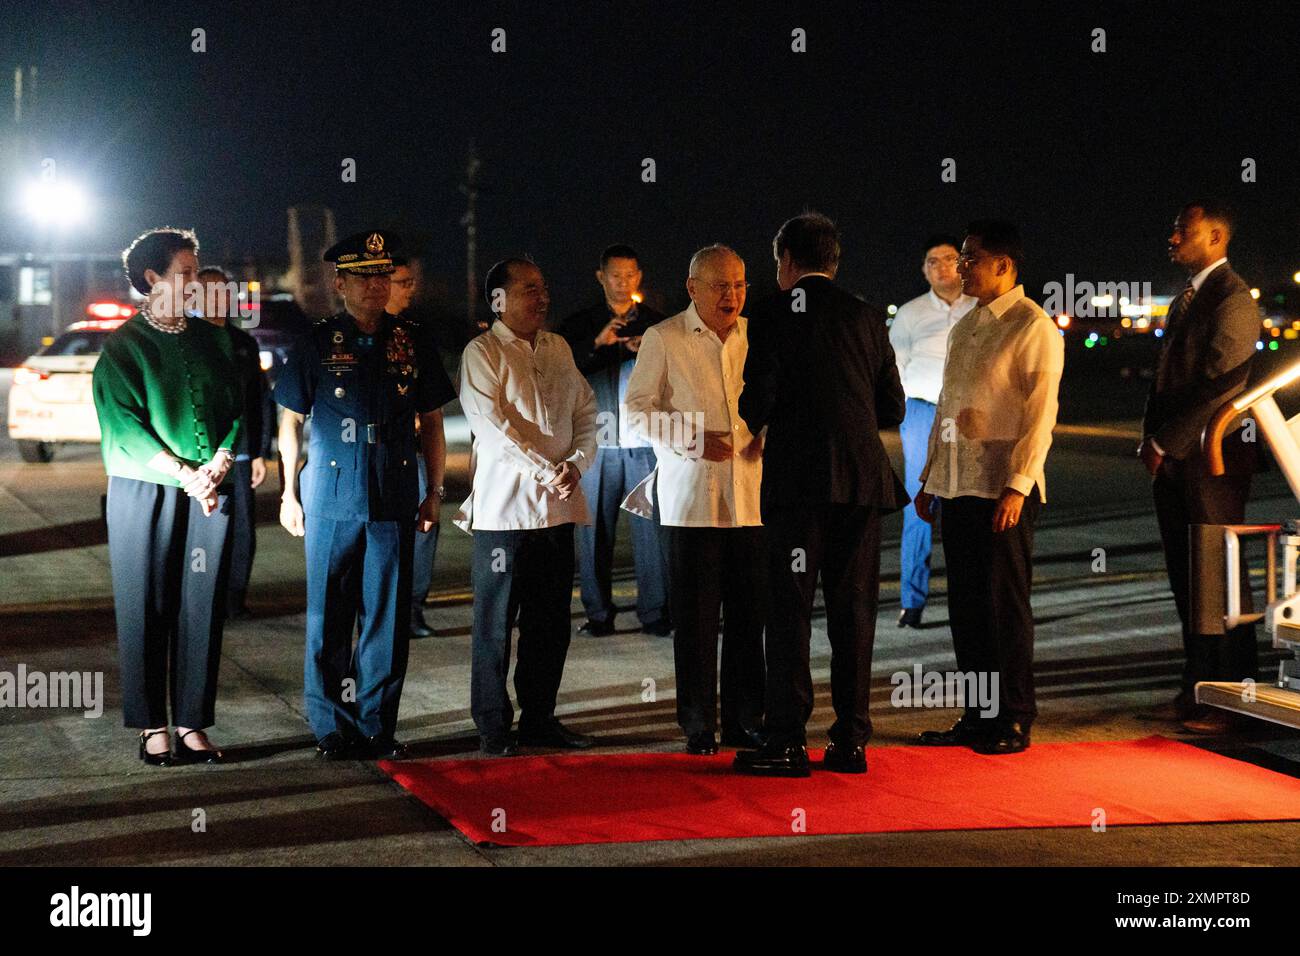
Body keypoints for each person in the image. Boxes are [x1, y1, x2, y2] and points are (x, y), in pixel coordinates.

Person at [734, 213, 908, 777]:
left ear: (786, 261)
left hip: (799, 485)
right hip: (862, 483)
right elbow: (893, 408)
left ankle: (787, 739)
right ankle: (851, 742)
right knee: (853, 613)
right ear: (833, 262)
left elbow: (754, 404)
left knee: (788, 612)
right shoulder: (864, 315)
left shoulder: (771, 312)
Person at [274, 230, 456, 760]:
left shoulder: (412, 339)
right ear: (340, 282)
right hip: (330, 497)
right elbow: (291, 419)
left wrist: (435, 490)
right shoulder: (317, 340)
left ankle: (378, 723)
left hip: (394, 493)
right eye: (363, 276)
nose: (375, 285)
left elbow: (431, 422)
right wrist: (289, 491)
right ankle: (331, 724)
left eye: (382, 275)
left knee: (388, 614)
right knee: (328, 615)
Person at [93, 228, 243, 766]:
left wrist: (223, 457)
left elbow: (238, 405)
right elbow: (123, 425)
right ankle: (152, 725)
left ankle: (192, 723)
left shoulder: (214, 339)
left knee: (201, 606)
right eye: (185, 272)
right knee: (146, 605)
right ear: (153, 278)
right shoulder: (123, 346)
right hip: (147, 491)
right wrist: (186, 472)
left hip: (209, 490)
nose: (195, 281)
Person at [914, 220, 1063, 756]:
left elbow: (1040, 415)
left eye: (971, 258)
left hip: (1002, 488)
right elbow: (946, 407)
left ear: (1004, 265)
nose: (961, 268)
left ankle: (1015, 717)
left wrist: (1018, 487)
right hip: (957, 485)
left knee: (1004, 606)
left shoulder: (1032, 326)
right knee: (967, 607)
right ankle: (978, 715)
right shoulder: (967, 325)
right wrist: (932, 475)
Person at [623, 245, 766, 755]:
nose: (732, 295)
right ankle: (698, 723)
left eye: (740, 284)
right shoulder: (665, 338)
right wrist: (690, 438)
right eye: (720, 285)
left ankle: (748, 719)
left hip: (751, 496)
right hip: (692, 499)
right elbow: (636, 412)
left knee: (750, 618)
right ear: (692, 288)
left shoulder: (758, 334)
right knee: (698, 618)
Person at [457, 258, 598, 756]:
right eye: (529, 289)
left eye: (544, 288)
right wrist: (545, 470)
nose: (542, 298)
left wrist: (577, 463)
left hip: (558, 512)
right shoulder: (483, 352)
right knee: (495, 625)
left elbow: (586, 412)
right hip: (505, 515)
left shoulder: (557, 348)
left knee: (549, 623)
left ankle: (540, 720)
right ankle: (493, 727)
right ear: (498, 300)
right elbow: (493, 429)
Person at [1139, 201, 1261, 735]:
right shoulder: (1186, 300)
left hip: (1213, 457)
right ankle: (1197, 686)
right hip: (1176, 458)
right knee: (1188, 578)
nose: (1172, 238)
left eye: (1181, 231)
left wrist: (1167, 441)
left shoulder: (1233, 299)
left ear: (1215, 237)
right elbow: (1166, 381)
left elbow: (1220, 384)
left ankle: (1234, 693)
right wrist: (1152, 439)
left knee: (1220, 577)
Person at [557, 245, 672, 637]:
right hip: (597, 441)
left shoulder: (659, 325)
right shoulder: (579, 325)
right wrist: (599, 345)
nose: (623, 283)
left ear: (639, 277)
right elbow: (560, 373)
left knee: (652, 534)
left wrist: (648, 352)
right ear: (600, 277)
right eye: (615, 275)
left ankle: (655, 612)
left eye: (630, 275)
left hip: (644, 443)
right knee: (592, 534)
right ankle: (598, 614)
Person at [889, 236, 976, 628]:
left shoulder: (980, 307)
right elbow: (895, 368)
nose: (941, 267)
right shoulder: (910, 314)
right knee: (919, 503)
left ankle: (971, 597)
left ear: (962, 264)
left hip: (970, 415)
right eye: (932, 261)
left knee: (969, 501)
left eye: (949, 259)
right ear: (924, 270)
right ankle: (912, 600)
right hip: (923, 411)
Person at [197, 266, 274, 620]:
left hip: (241, 454)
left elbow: (260, 399)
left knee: (242, 529)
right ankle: (201, 597)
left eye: (225, 292)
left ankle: (233, 598)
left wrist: (260, 452)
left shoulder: (244, 343)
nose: (220, 298)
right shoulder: (186, 340)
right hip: (196, 456)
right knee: (203, 527)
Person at [386, 256, 449, 639]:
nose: (410, 289)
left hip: (414, 451)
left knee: (424, 530)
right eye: (402, 281)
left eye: (412, 281)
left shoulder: (416, 335)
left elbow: (433, 411)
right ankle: (381, 610)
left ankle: (412, 610)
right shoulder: (353, 334)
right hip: (377, 452)